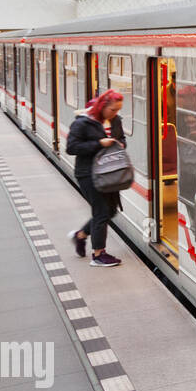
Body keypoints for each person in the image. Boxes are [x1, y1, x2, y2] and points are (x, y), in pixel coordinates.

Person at [66, 90, 126, 267]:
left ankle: (81, 235)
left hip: (110, 172)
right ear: (102, 106)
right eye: (113, 109)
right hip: (88, 173)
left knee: (111, 211)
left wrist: (119, 144)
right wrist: (99, 144)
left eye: (118, 110)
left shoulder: (115, 120)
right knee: (100, 211)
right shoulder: (83, 123)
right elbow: (72, 147)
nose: (115, 114)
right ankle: (98, 254)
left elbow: (122, 138)